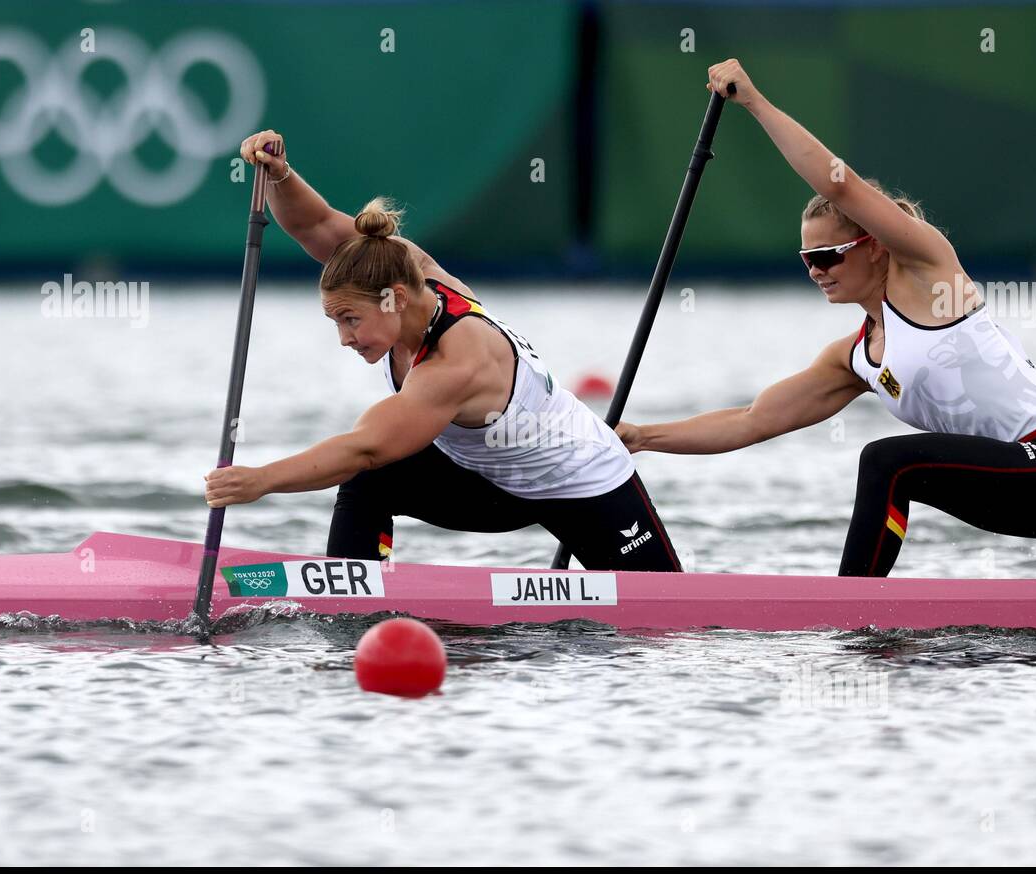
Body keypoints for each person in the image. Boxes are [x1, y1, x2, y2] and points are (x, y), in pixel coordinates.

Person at [615, 60, 1036, 579]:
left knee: (888, 461)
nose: (817, 270)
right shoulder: (852, 358)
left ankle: (852, 611)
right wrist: (641, 437)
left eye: (828, 256)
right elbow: (750, 420)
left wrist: (754, 102)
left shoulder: (930, 277)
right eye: (807, 260)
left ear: (874, 245)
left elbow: (839, 185)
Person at [203, 130, 681, 572]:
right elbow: (319, 225)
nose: (344, 339)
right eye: (336, 321)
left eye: (350, 320)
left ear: (396, 298)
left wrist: (260, 480)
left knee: (662, 622)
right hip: (489, 481)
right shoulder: (396, 264)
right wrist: (280, 174)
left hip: (583, 484)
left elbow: (366, 446)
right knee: (371, 481)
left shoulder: (458, 360)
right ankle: (352, 598)